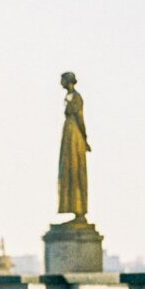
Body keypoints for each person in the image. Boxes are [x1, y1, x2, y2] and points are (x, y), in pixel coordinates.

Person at [57, 71, 91, 220]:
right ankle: (72, 206)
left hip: (74, 135)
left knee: (76, 169)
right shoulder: (69, 96)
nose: (61, 83)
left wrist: (84, 138)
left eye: (62, 80)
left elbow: (80, 118)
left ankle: (80, 209)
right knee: (68, 169)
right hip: (69, 133)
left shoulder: (76, 97)